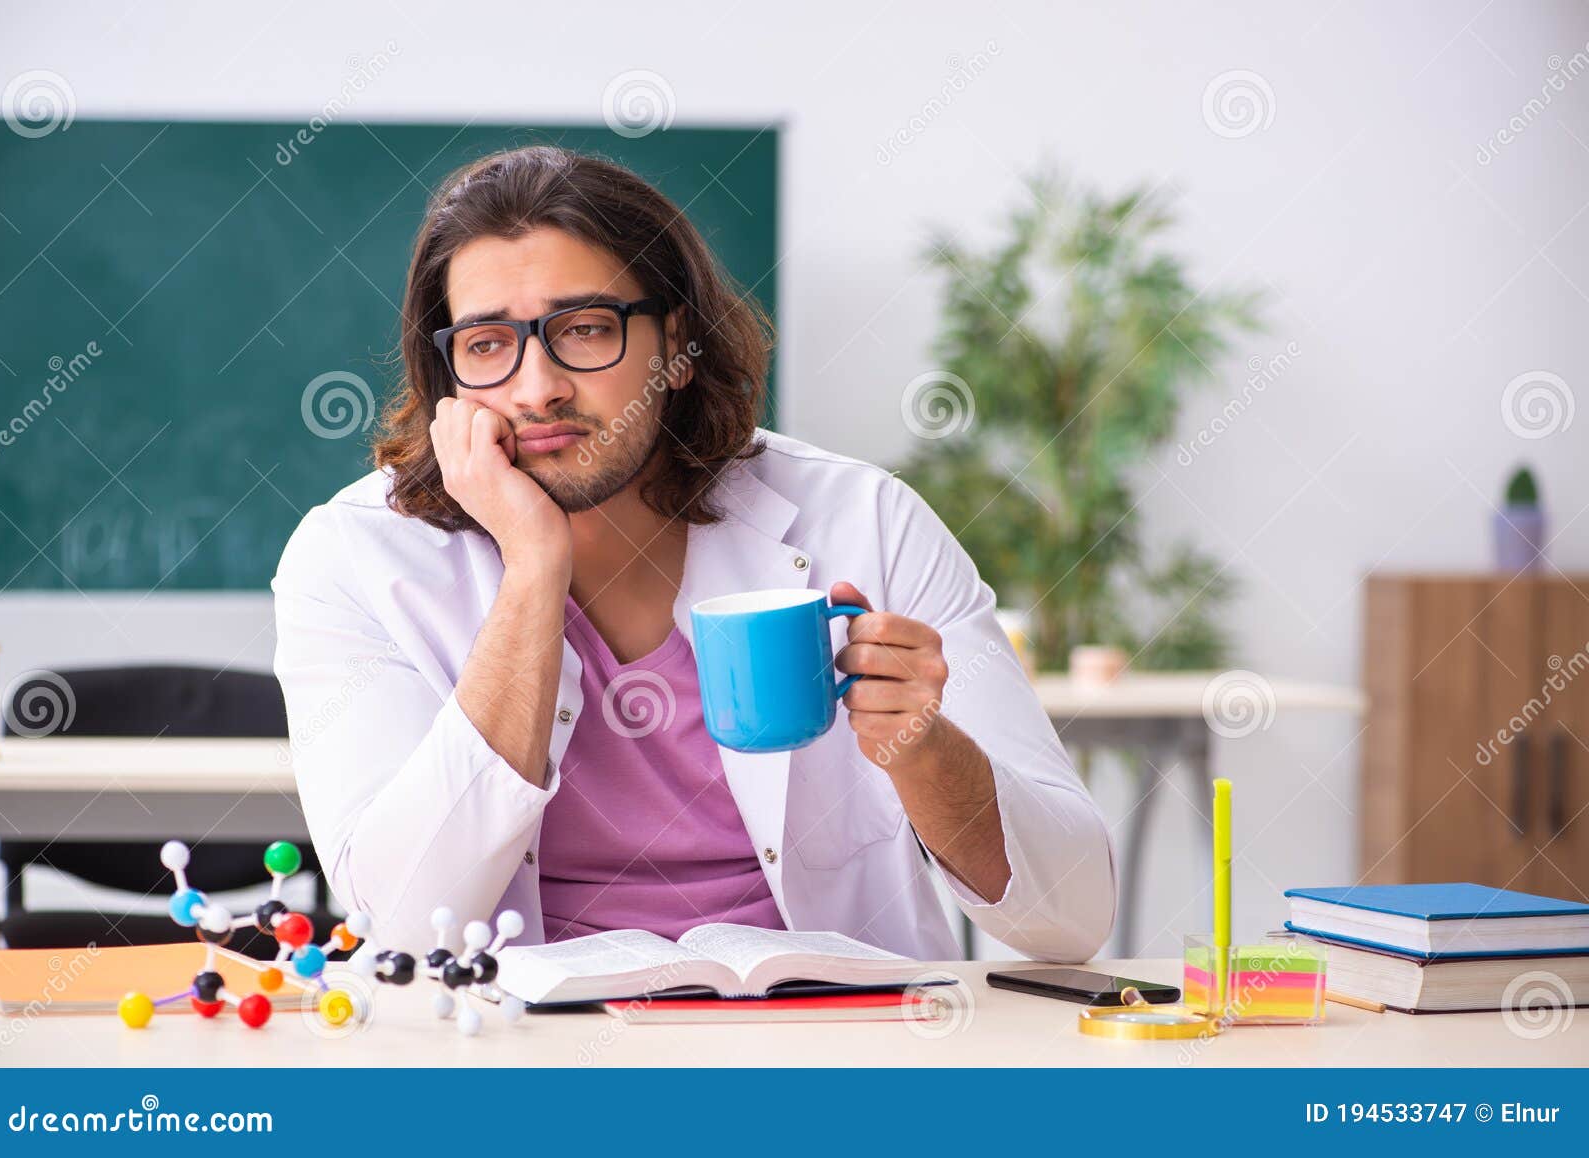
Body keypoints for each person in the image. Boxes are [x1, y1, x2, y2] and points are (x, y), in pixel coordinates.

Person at [271, 145, 1115, 960]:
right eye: (488, 345)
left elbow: (1074, 920)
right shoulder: (355, 560)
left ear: (675, 346)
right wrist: (532, 569)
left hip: (834, 1053)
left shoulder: (865, 520)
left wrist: (924, 747)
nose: (537, 388)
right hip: (524, 1061)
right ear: (448, 375)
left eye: (587, 329)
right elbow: (411, 919)